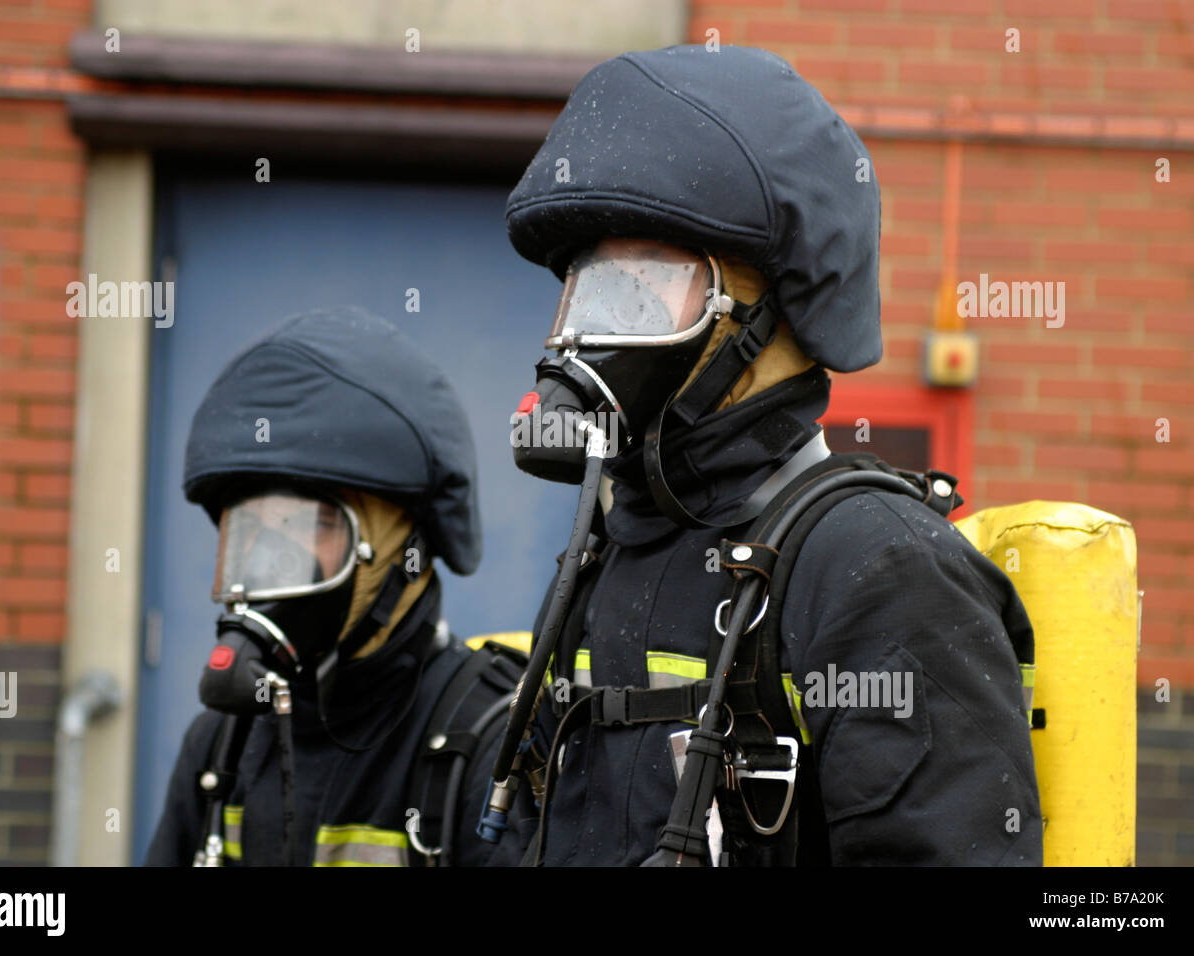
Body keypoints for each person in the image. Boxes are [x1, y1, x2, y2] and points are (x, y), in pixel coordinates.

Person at [496, 45, 1041, 866]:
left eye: (650, 285)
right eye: (592, 286)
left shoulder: (881, 568)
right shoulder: (603, 552)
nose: (596, 330)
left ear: (777, 312)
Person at [145, 307, 525, 867]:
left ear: (404, 551)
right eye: (250, 529)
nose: (272, 559)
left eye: (313, 525)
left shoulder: (489, 747)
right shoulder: (221, 745)